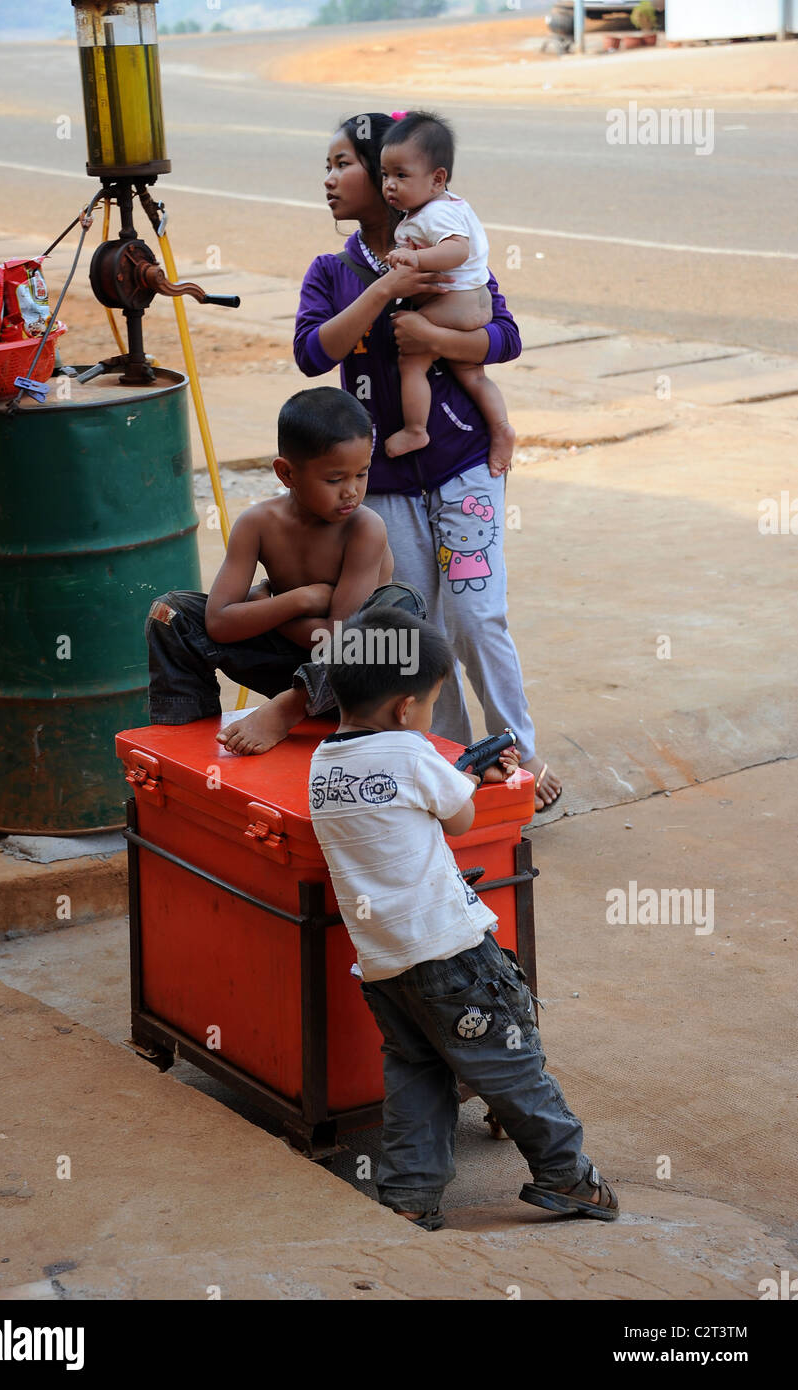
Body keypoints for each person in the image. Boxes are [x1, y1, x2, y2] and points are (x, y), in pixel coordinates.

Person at [309, 608, 618, 1228]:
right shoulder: (412, 751)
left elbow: (395, 802)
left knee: (417, 1075)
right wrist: (474, 778)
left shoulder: (323, 766)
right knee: (511, 1062)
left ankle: (410, 1197)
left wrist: (455, 776)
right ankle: (567, 1176)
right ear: (404, 708)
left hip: (383, 963)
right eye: (428, 704)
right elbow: (460, 819)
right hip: (452, 952)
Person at [295, 111, 562, 812]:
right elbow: (310, 353)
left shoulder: (447, 244)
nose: (330, 180)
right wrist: (383, 290)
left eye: (342, 165)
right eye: (332, 166)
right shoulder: (332, 272)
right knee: (420, 633)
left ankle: (516, 753)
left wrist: (433, 337)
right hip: (381, 485)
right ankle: (454, 768)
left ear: (393, 181)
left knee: (478, 620)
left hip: (461, 465)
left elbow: (503, 336)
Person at [145, 386, 425, 747]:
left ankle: (289, 708)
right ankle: (183, 747)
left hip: (347, 684)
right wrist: (301, 600)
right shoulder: (258, 523)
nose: (352, 492)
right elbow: (217, 622)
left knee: (402, 603)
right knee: (172, 613)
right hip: (281, 664)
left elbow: (336, 640)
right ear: (287, 474)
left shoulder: (364, 528)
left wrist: (264, 606)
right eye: (335, 479)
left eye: (362, 473)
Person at [379, 110, 511, 465]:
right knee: (472, 373)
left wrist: (415, 260)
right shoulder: (443, 207)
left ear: (437, 179)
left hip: (457, 304)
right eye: (385, 175)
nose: (390, 184)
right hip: (475, 304)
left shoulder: (435, 214)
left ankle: (415, 430)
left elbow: (457, 249)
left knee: (411, 361)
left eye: (401, 175)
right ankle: (501, 427)